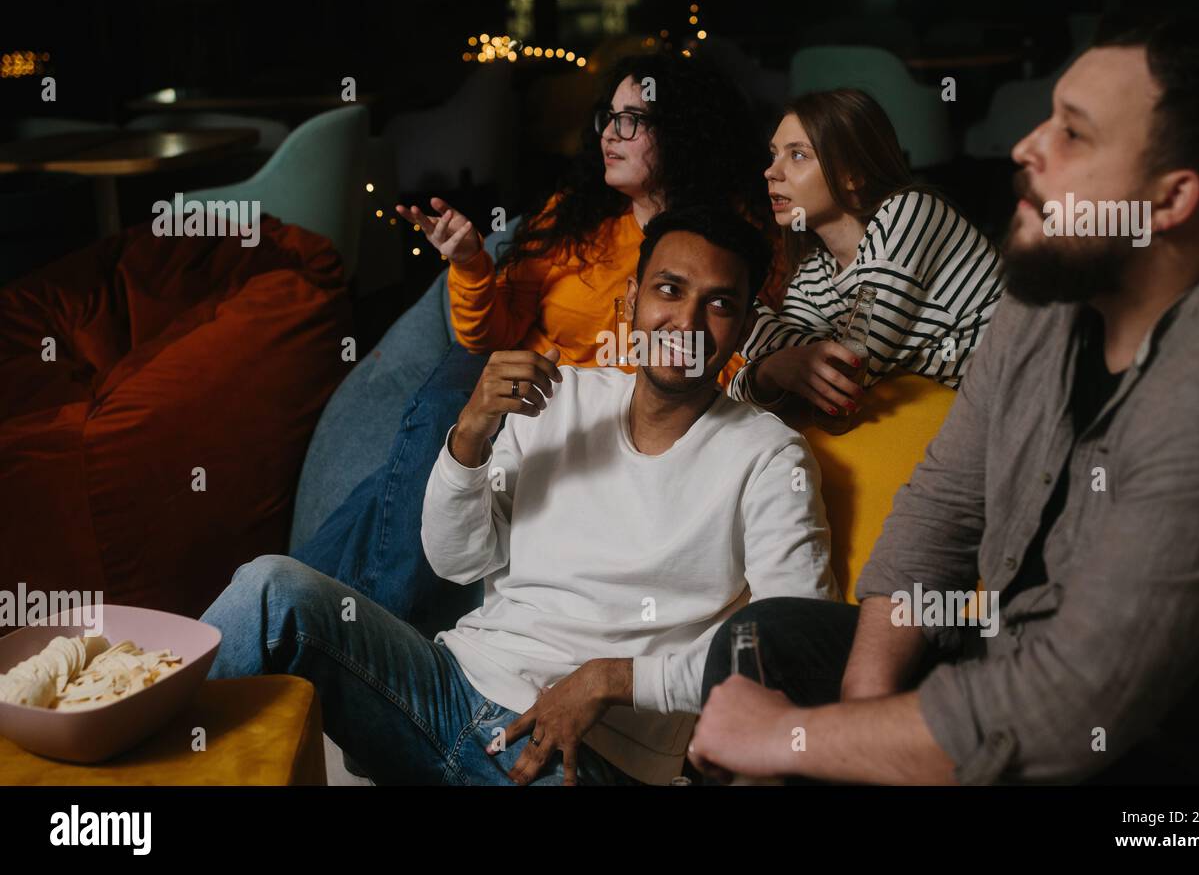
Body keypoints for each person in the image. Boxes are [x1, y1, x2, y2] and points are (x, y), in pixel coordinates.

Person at [690, 17, 1199, 785]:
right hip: (1000, 651)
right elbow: (941, 511)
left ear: (1172, 198)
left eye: (1072, 134)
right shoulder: (1043, 304)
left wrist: (796, 740)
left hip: (1152, 758)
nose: (1026, 147)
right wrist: (852, 713)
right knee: (767, 640)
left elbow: (1072, 707)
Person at [200, 206, 838, 785]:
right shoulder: (563, 398)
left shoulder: (768, 455)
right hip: (445, 690)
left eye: (720, 304)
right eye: (669, 290)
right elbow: (457, 561)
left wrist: (610, 679)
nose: (688, 322)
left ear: (747, 324)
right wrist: (471, 434)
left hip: (582, 756)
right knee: (270, 589)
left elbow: (793, 648)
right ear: (633, 298)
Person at [293, 53, 776, 632]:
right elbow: (489, 337)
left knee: (396, 479)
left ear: (684, 131)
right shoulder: (574, 219)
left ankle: (335, 635)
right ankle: (301, 623)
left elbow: (722, 359)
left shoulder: (722, 250)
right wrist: (472, 264)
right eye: (607, 117)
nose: (609, 134)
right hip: (506, 404)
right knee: (444, 406)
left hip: (582, 426)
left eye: (632, 120)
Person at [729, 88, 1004, 422]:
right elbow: (750, 399)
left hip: (1023, 406)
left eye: (798, 155)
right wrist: (775, 369)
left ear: (852, 174)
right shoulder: (812, 275)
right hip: (948, 426)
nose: (771, 172)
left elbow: (846, 373)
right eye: (773, 155)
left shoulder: (912, 213)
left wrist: (742, 317)